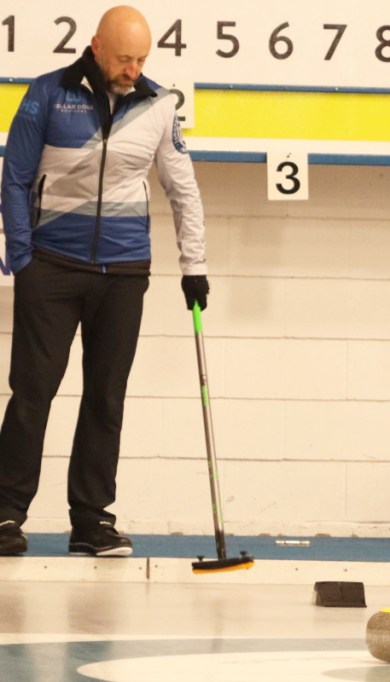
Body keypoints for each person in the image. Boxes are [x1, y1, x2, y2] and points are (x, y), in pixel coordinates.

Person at [0, 5, 209, 557]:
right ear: (96, 47)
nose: (132, 69)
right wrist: (23, 258)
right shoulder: (47, 94)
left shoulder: (160, 105)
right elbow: (15, 177)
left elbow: (182, 188)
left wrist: (196, 266)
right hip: (51, 265)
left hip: (123, 272)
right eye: (123, 58)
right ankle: (5, 515)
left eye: (140, 59)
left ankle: (91, 521)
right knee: (32, 393)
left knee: (105, 398)